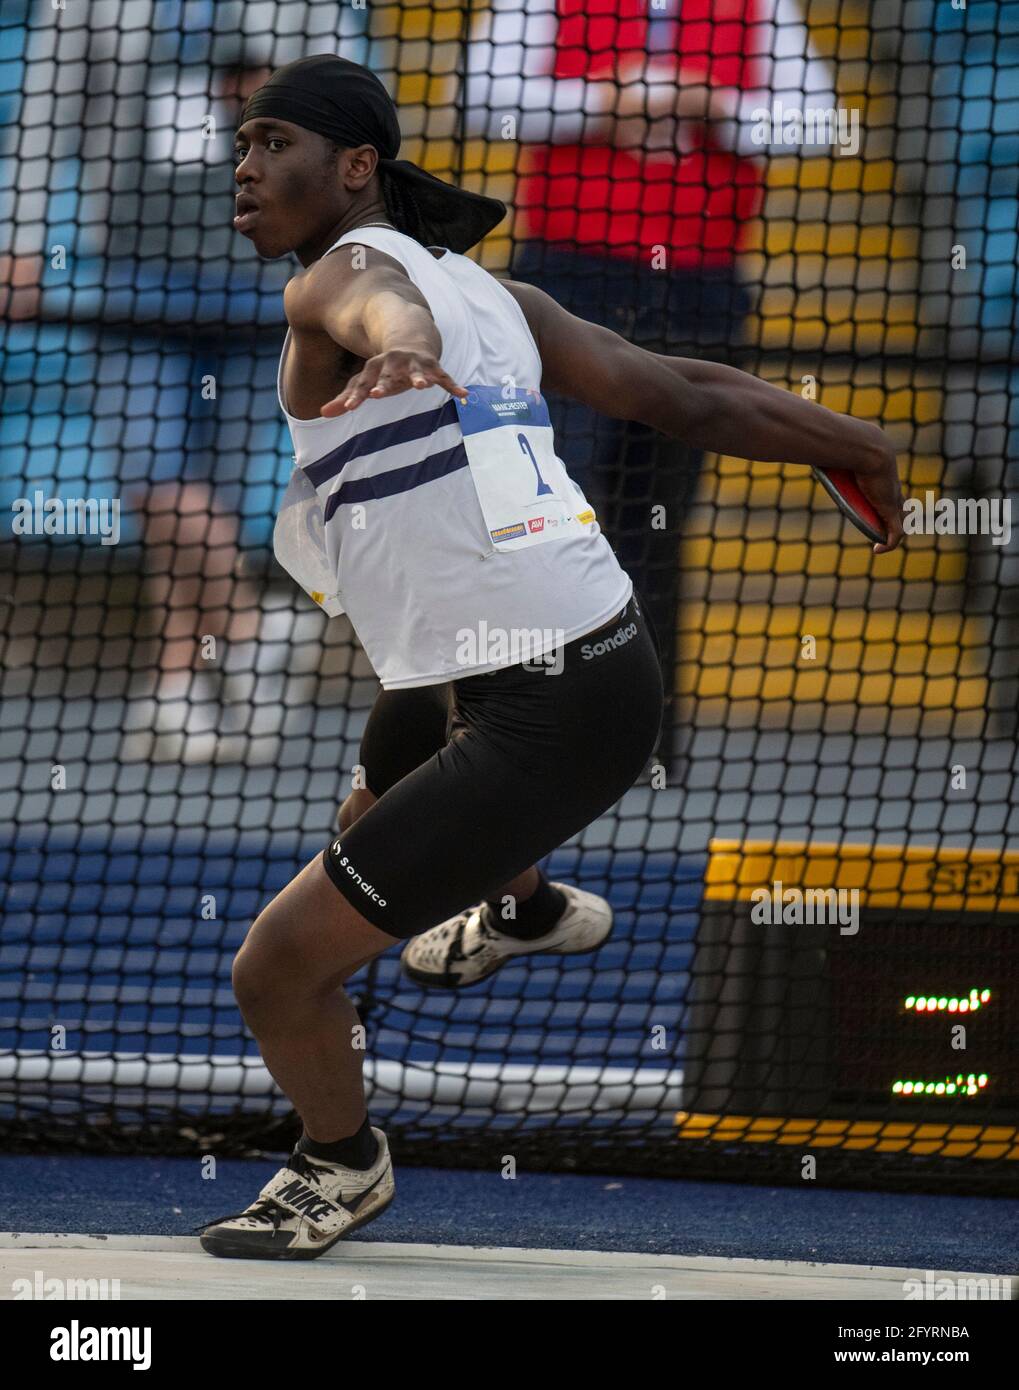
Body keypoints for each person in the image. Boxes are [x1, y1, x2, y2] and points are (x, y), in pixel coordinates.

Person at [198, 54, 903, 1260]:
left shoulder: (340, 284)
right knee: (370, 820)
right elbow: (677, 390)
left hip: (542, 710)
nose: (244, 167)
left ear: (356, 167)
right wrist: (858, 442)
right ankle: (519, 906)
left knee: (275, 970)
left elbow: (376, 305)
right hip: (514, 667)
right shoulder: (501, 296)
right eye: (242, 145)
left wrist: (406, 346)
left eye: (272, 144)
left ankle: (339, 1163)